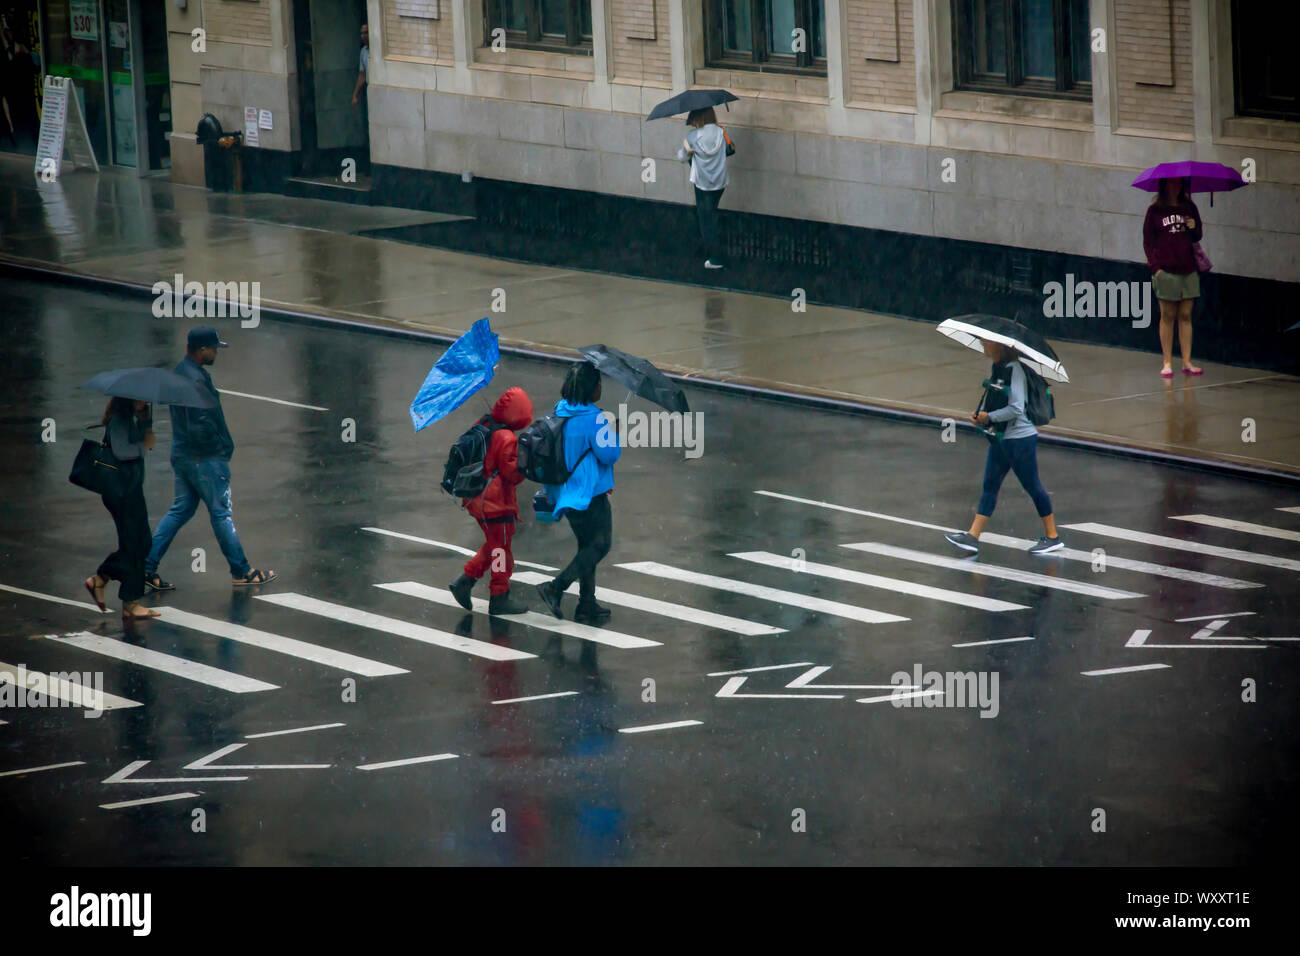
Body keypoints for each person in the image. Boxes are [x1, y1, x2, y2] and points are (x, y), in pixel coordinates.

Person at [144, 327, 276, 589]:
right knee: (221, 514)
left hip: (182, 455)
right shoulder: (195, 380)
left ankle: (146, 566)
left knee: (180, 510)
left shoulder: (180, 373)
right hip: (204, 459)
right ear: (201, 350)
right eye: (214, 348)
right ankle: (241, 571)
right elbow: (200, 424)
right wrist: (221, 447)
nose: (216, 352)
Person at [944, 339, 1063, 555]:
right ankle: (972, 536)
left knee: (1032, 486)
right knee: (990, 485)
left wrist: (989, 417)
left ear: (1000, 347)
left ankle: (1053, 537)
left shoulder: (1015, 371)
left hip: (1020, 440)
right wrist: (981, 415)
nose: (983, 347)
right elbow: (997, 398)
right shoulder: (998, 368)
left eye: (986, 343)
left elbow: (1016, 409)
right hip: (1002, 437)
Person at [534, 361, 621, 623]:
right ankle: (555, 588)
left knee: (587, 546)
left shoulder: (560, 410)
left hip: (564, 492)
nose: (601, 388)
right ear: (591, 389)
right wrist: (612, 430)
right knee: (600, 545)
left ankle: (586, 603)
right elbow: (610, 454)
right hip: (589, 494)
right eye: (599, 384)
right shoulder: (595, 419)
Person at [448, 386, 534, 616]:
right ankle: (499, 596)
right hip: (496, 504)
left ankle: (465, 580)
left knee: (495, 544)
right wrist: (526, 459)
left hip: (480, 500)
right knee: (501, 551)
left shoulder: (485, 424)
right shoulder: (506, 437)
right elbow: (512, 474)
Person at [84, 398, 160, 620]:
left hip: (131, 490)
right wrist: (143, 446)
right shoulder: (118, 419)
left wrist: (146, 421)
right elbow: (122, 451)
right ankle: (130, 601)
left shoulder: (132, 418)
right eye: (140, 398)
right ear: (127, 398)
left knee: (141, 543)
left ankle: (101, 579)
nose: (144, 401)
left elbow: (142, 440)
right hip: (120, 492)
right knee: (135, 545)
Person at [1143, 176, 1204, 377]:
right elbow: (1148, 242)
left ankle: (1186, 361)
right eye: (1172, 183)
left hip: (1188, 268)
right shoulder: (1155, 211)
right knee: (1167, 315)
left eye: (1179, 183)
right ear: (1164, 185)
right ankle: (1167, 362)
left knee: (1186, 314)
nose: (1176, 186)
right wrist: (1156, 268)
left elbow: (1198, 236)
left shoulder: (1189, 207)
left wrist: (1194, 226)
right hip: (1166, 270)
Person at [677, 107, 729, 270]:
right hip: (719, 182)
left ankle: (716, 258)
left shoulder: (693, 137)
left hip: (702, 183)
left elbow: (681, 157)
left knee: (706, 220)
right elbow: (727, 150)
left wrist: (690, 151)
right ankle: (711, 251)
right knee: (711, 215)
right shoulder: (721, 132)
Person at [351, 22, 369, 111]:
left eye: (366, 33)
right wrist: (355, 94)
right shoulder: (363, 52)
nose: (363, 36)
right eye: (362, 33)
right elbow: (362, 75)